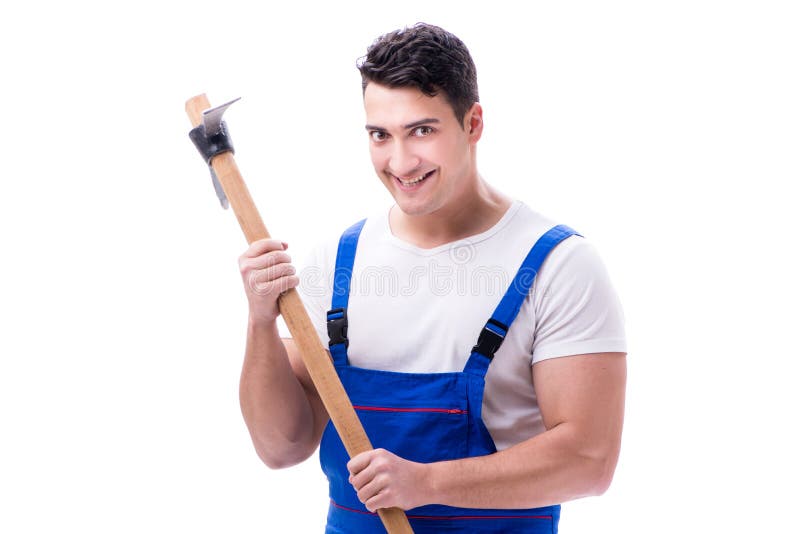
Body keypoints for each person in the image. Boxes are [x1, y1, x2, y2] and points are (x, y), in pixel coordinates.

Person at [237, 22, 627, 533]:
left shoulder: (559, 265)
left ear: (473, 123)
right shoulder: (335, 262)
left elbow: (588, 461)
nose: (400, 162)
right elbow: (281, 446)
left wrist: (426, 484)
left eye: (422, 130)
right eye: (381, 135)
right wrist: (260, 322)